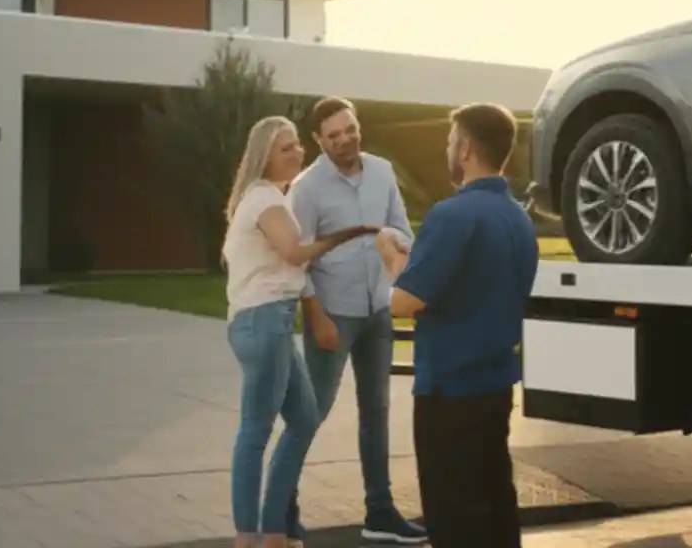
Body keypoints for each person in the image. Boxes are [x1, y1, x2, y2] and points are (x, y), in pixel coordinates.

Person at [378, 102, 540, 548]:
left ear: (465, 148)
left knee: (453, 520)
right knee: (496, 505)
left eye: (450, 142)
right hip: (496, 385)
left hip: (449, 392)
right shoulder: (519, 218)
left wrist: (390, 257)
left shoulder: (452, 215)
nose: (447, 150)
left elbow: (406, 301)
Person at [222, 115, 377, 548]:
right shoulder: (264, 199)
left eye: (296, 145)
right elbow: (294, 253)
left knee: (304, 418)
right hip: (264, 321)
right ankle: (247, 537)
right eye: (286, 147)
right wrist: (350, 233)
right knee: (255, 431)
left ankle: (275, 531)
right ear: (264, 157)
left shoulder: (267, 197)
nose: (297, 152)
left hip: (267, 320)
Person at [283, 97, 427, 544]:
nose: (345, 139)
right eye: (334, 135)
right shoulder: (306, 188)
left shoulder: (382, 172)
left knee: (377, 411)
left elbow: (403, 229)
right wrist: (317, 317)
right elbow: (296, 261)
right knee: (313, 410)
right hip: (333, 314)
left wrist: (391, 241)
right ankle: (281, 506)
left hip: (377, 310)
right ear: (318, 140)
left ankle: (379, 512)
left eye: (350, 129)